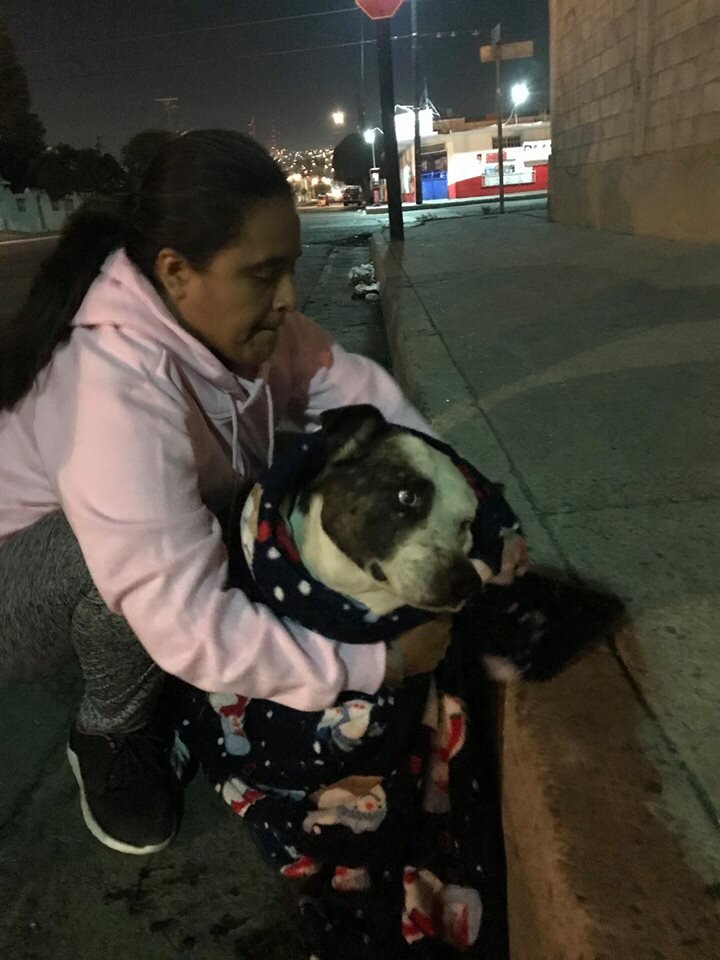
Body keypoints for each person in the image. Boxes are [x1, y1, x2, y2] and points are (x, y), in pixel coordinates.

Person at [0, 129, 451, 857]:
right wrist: (378, 664)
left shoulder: (237, 327)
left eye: (292, 270)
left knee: (248, 504)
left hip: (100, 551)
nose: (289, 299)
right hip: (16, 585)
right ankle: (109, 731)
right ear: (176, 273)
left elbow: (354, 389)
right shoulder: (110, 392)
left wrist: (455, 499)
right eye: (263, 274)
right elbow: (183, 620)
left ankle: (174, 689)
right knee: (137, 557)